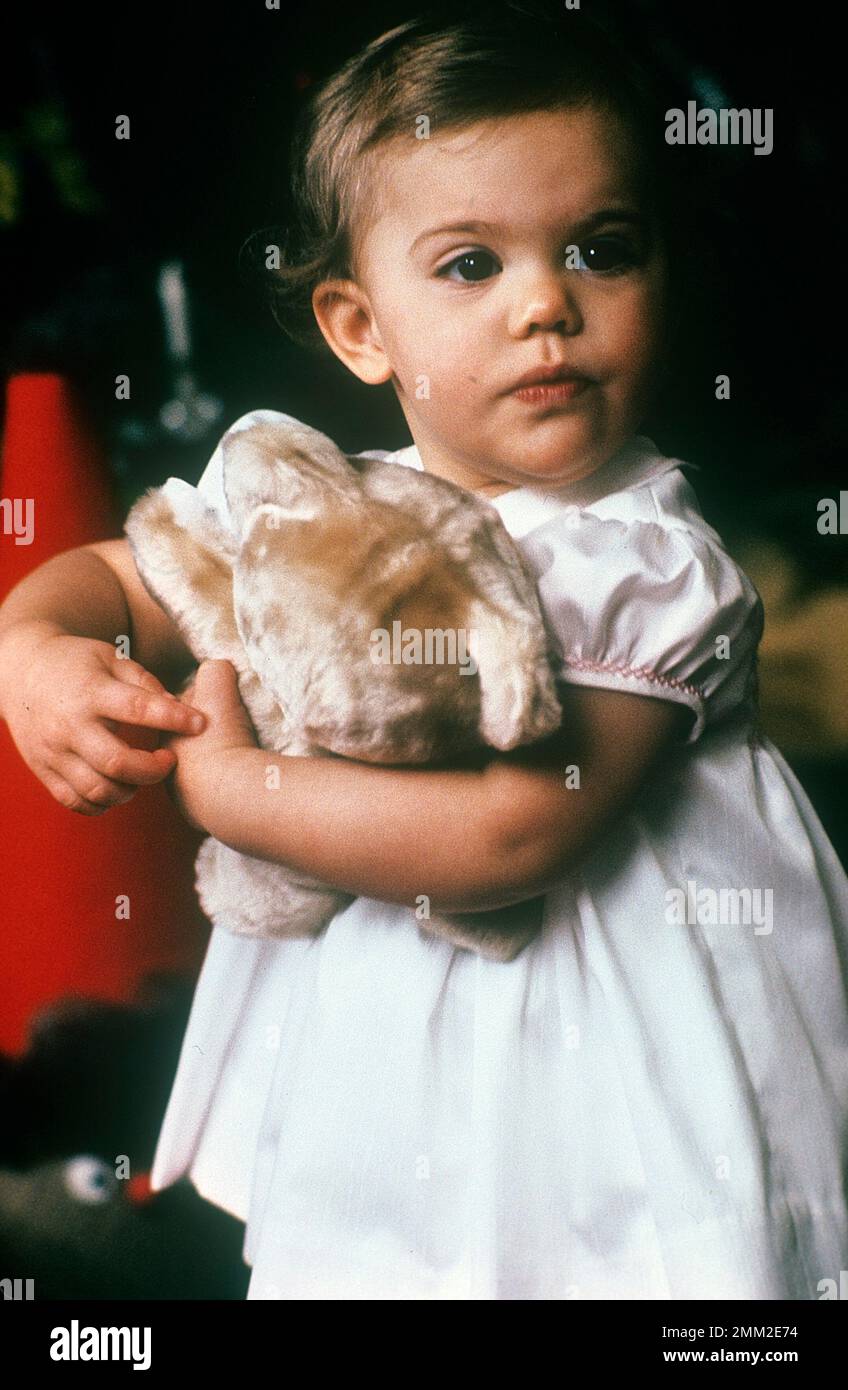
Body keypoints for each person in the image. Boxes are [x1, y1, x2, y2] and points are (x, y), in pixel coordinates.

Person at [2, 5, 847, 1299]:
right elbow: (134, 570)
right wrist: (36, 643)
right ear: (360, 325)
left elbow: (519, 835)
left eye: (601, 251)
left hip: (622, 1051)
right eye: (471, 266)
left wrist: (231, 791)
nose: (548, 305)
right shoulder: (320, 506)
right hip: (396, 1041)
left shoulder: (647, 560)